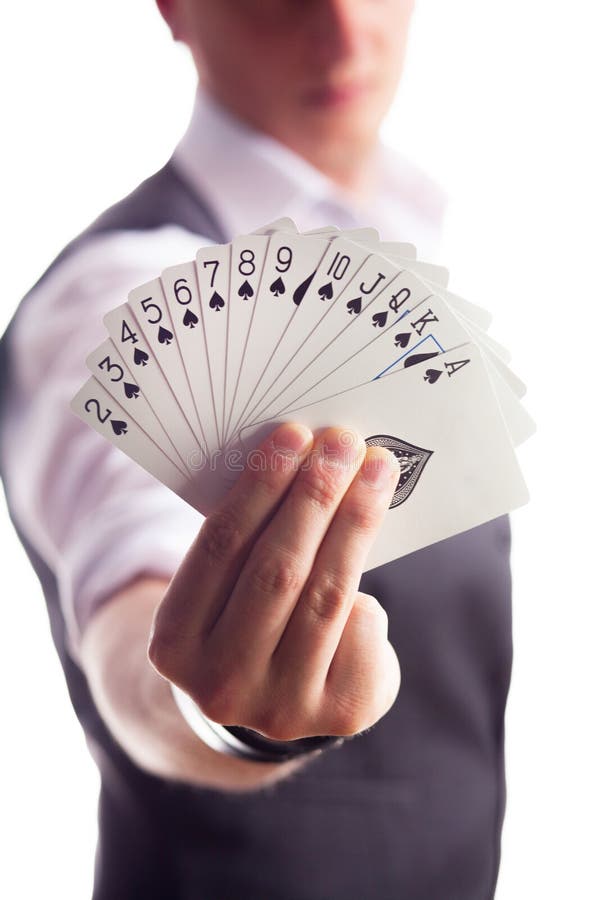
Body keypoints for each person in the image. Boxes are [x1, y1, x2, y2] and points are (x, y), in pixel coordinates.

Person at [0, 2, 513, 898]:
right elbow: (129, 612)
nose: (345, 33)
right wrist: (219, 715)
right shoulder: (119, 302)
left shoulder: (400, 232)